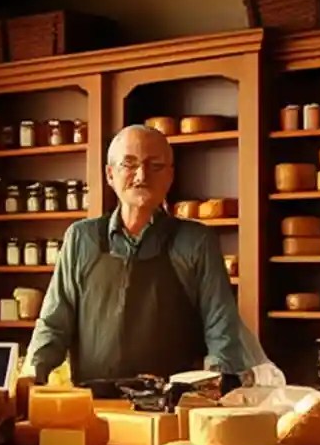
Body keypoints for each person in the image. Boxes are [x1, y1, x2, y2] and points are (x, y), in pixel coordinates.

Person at [26, 124, 281, 387]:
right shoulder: (81, 238)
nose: (141, 175)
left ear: (170, 176)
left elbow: (222, 329)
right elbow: (54, 324)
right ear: (110, 174)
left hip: (170, 402)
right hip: (93, 401)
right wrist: (34, 374)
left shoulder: (196, 241)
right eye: (129, 164)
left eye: (155, 166)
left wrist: (217, 387)